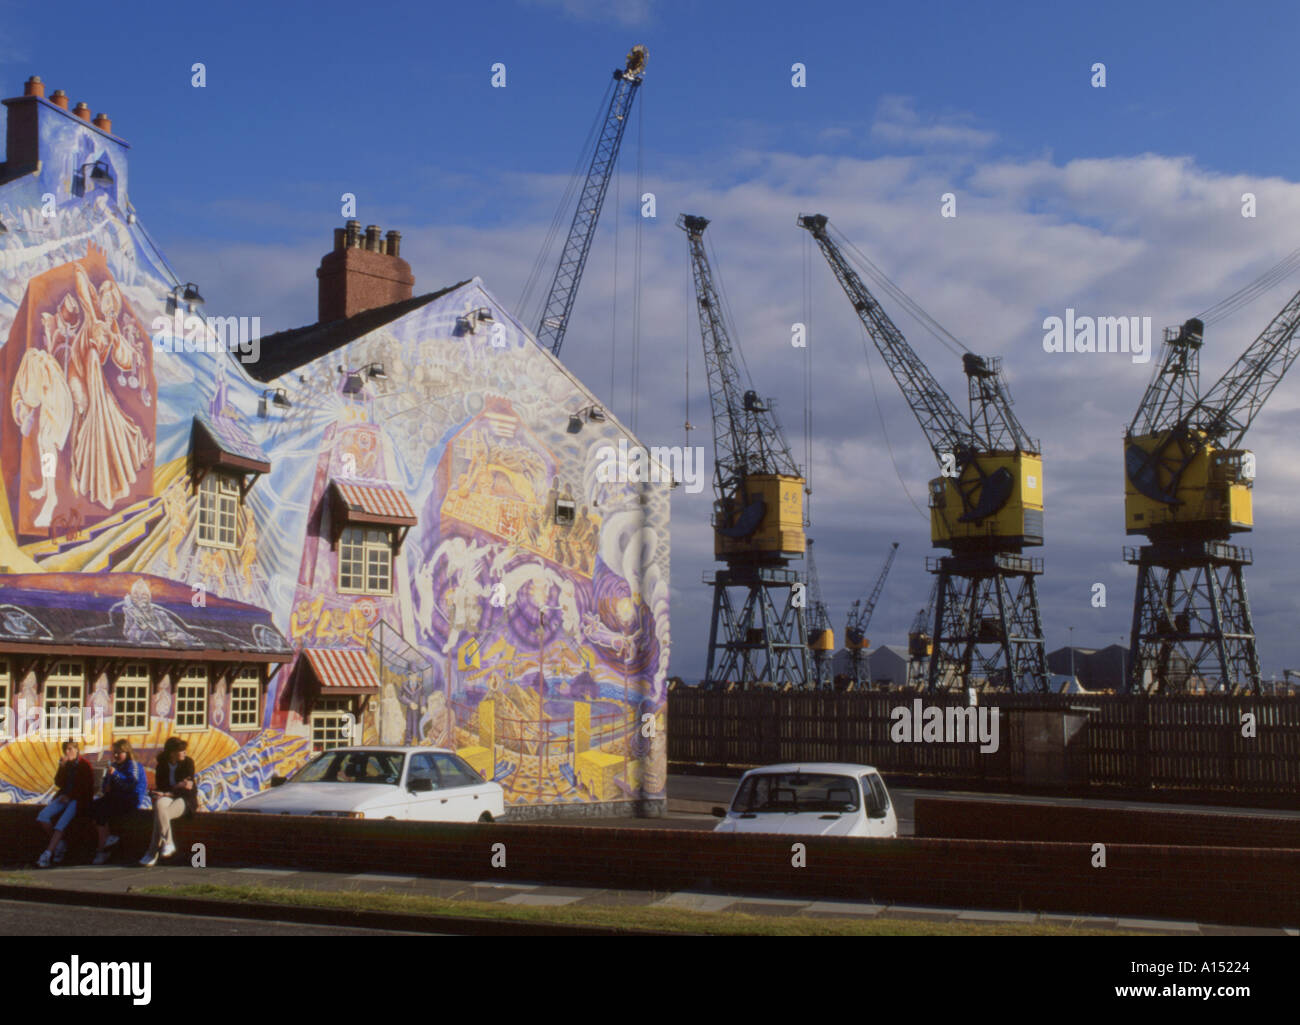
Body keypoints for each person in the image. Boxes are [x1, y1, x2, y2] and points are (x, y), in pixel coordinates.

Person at [138, 737, 197, 867]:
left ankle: (152, 853)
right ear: (172, 753)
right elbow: (162, 786)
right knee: (159, 805)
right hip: (168, 796)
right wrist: (175, 787)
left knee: (161, 815)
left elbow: (187, 789)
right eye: (181, 750)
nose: (184, 753)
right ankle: (168, 843)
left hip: (185, 799)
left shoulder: (188, 763)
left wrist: (168, 792)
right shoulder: (162, 766)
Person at [90, 738, 149, 864]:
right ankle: (106, 842)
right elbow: (107, 784)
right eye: (114, 752)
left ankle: (103, 848)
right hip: (117, 797)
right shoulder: (115, 765)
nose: (116, 755)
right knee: (94, 806)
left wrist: (116, 774)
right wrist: (106, 785)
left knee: (103, 809)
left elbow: (131, 785)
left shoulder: (133, 765)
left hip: (131, 798)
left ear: (127, 753)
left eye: (119, 753)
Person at [36, 741, 94, 868]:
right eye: (65, 750)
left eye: (70, 749)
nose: (67, 752)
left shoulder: (84, 765)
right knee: (42, 816)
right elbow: (59, 783)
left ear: (76, 750)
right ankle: (59, 844)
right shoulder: (67, 765)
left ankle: (48, 853)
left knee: (61, 824)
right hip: (64, 797)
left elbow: (86, 788)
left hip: (78, 800)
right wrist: (61, 767)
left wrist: (71, 796)